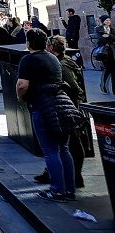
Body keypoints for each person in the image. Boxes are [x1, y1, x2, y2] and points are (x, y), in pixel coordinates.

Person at [17, 28, 76, 201]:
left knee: (50, 151)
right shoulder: (53, 58)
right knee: (64, 149)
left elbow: (22, 85)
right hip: (61, 105)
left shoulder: (28, 60)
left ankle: (57, 190)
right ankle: (69, 190)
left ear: (28, 43)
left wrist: (20, 98)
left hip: (42, 107)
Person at [34, 36, 86, 189]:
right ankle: (52, 173)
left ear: (51, 48)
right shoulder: (59, 61)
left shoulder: (62, 64)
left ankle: (76, 177)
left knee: (72, 143)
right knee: (60, 144)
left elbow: (74, 88)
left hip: (67, 107)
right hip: (63, 106)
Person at [96, 16, 114, 94]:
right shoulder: (98, 29)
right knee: (107, 69)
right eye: (106, 20)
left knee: (113, 70)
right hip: (104, 53)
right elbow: (100, 39)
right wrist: (109, 37)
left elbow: (113, 38)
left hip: (112, 52)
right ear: (103, 21)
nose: (108, 21)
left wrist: (108, 35)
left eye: (109, 20)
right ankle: (103, 86)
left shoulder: (112, 29)